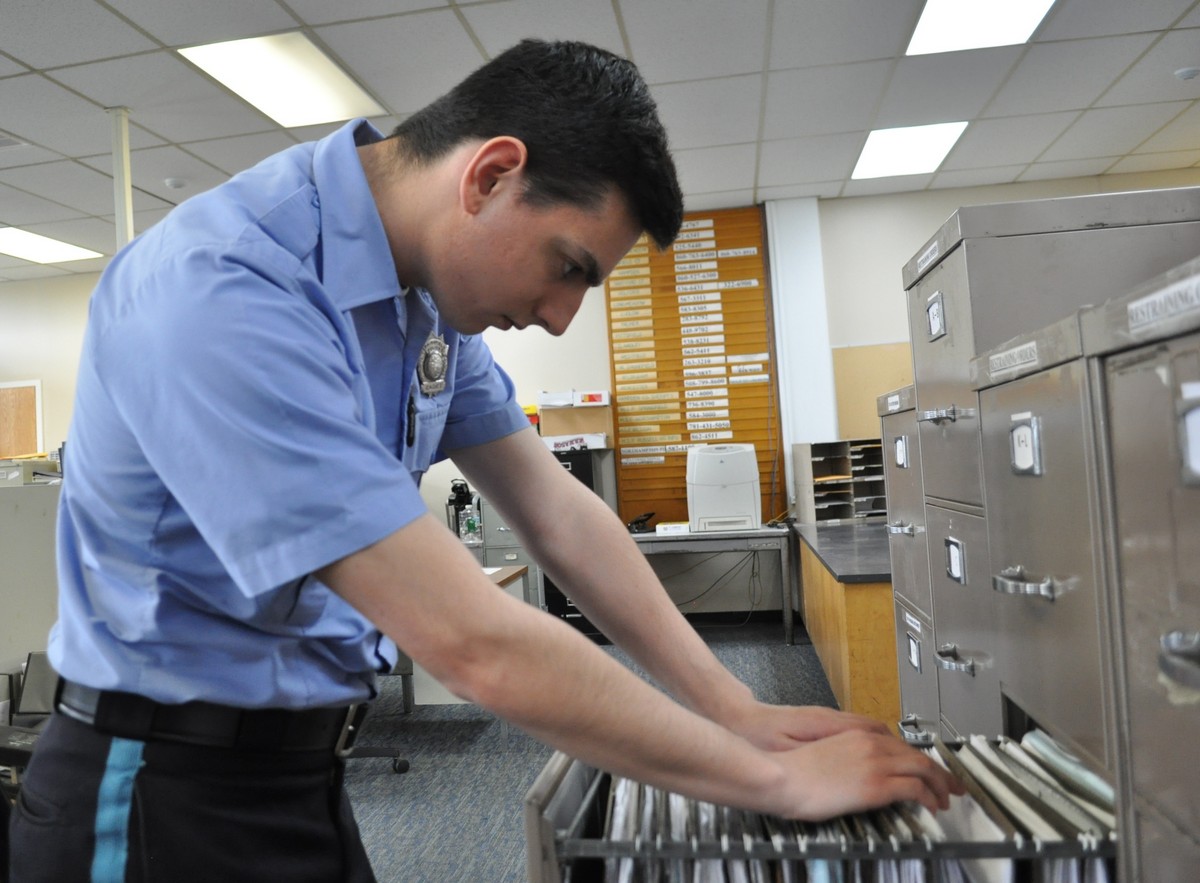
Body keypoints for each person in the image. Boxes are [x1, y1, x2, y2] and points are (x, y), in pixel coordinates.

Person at [7, 38, 960, 882]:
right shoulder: (222, 288)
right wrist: (768, 777)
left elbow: (556, 511)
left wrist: (734, 705)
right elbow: (470, 640)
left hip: (302, 772)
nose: (559, 315)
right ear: (490, 176)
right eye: (570, 268)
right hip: (154, 790)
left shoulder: (424, 300)